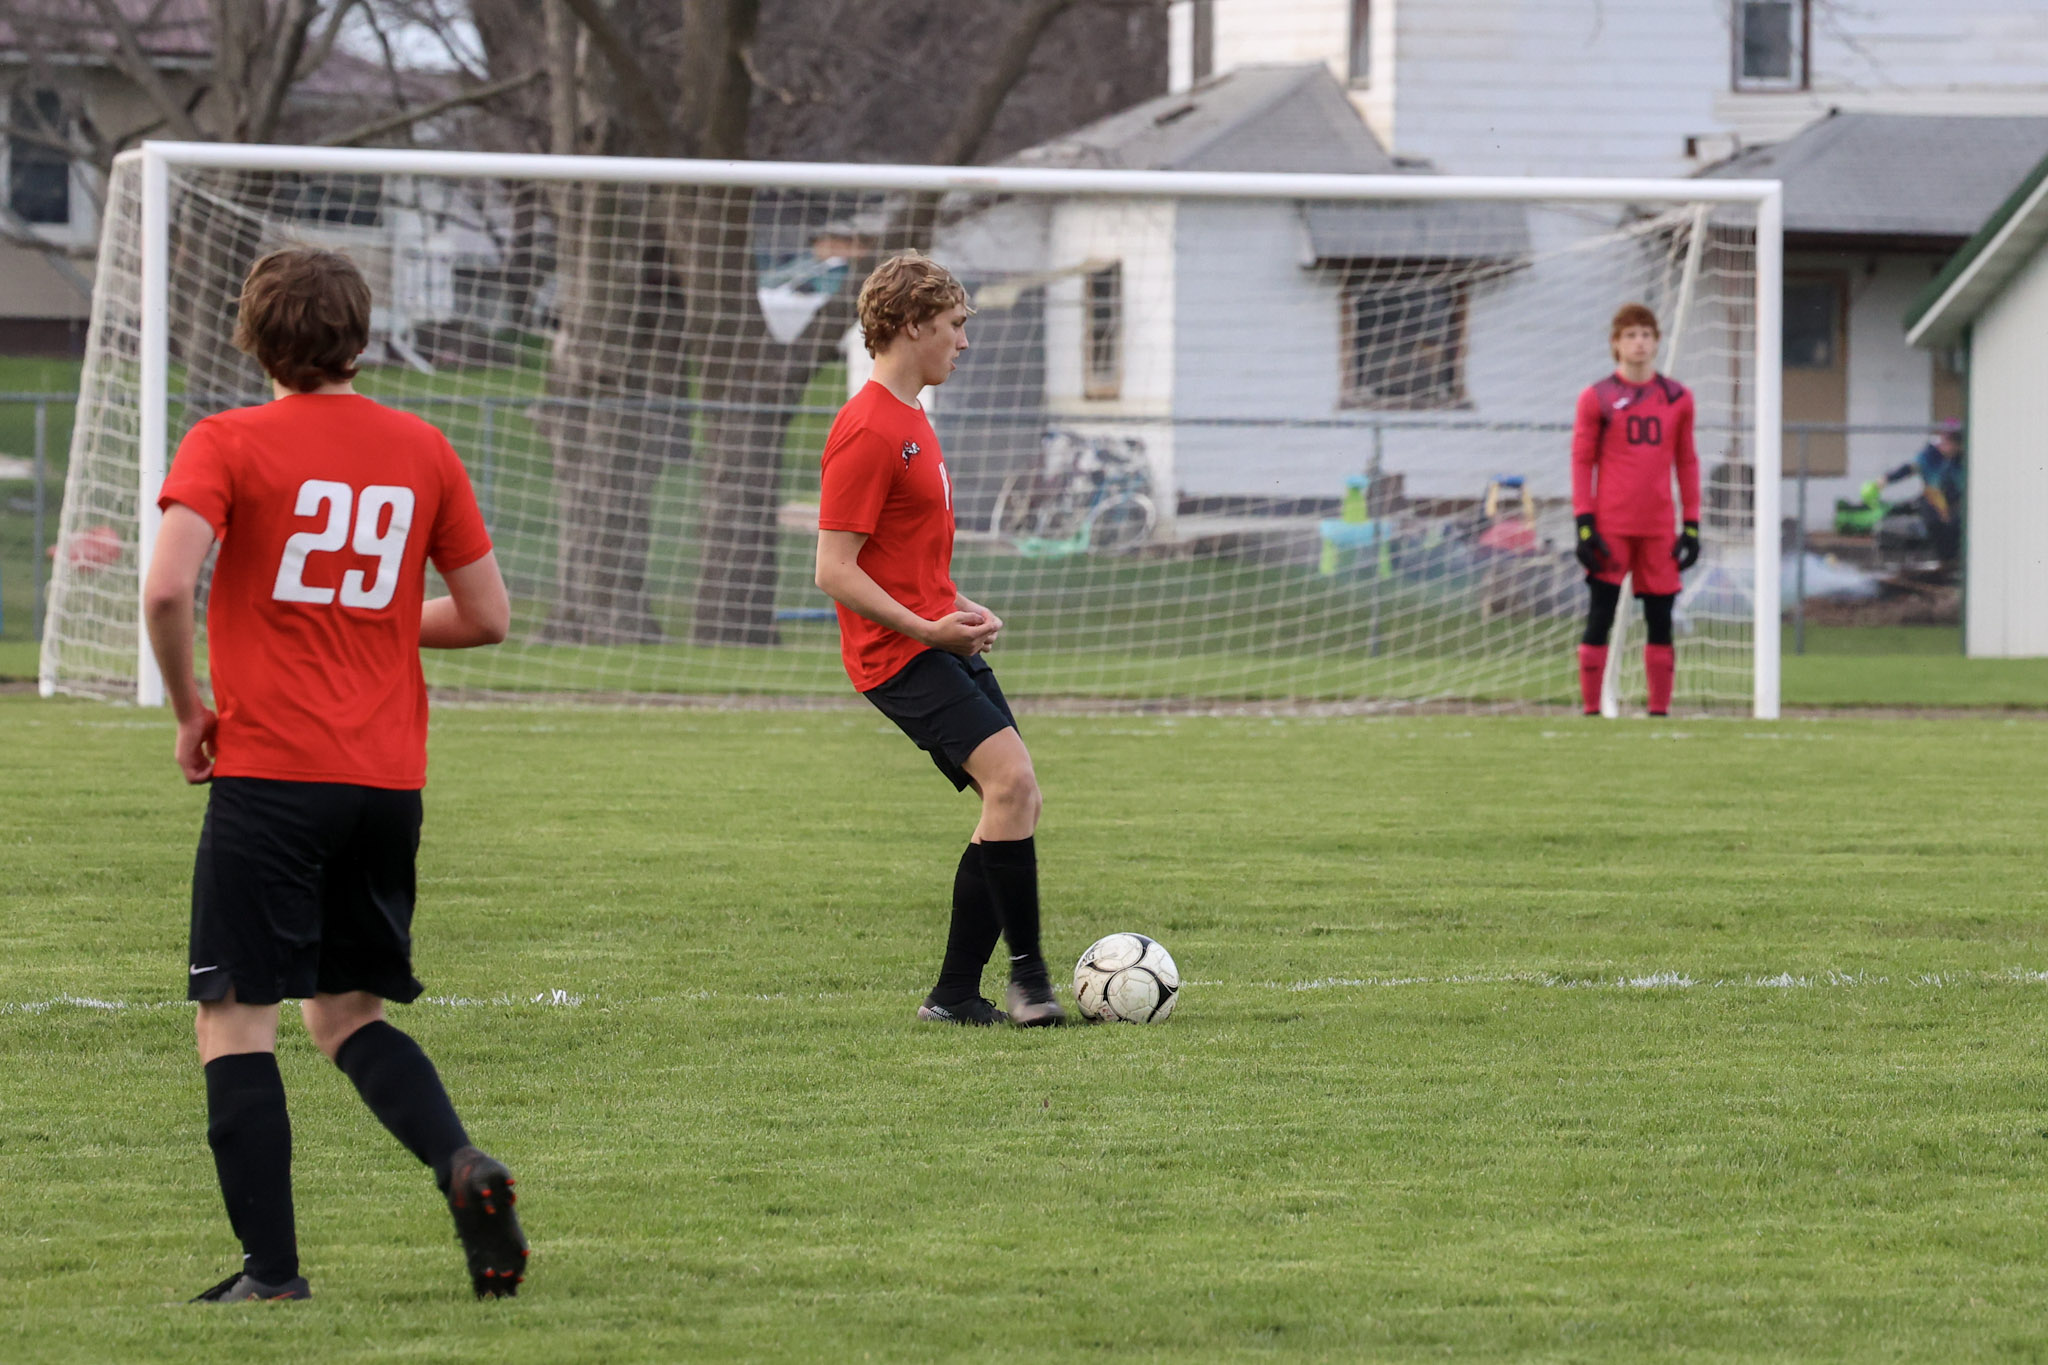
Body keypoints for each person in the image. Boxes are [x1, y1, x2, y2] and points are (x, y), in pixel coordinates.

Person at [141, 247, 528, 1303]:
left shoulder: (227, 441)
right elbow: (488, 616)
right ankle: (460, 1163)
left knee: (235, 1017)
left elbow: (168, 589)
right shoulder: (423, 448)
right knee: (345, 1014)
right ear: (360, 338)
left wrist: (189, 713)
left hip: (270, 773)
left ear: (253, 340)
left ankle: (272, 1275)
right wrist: (372, 624)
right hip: (384, 783)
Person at [813, 253, 1063, 1028]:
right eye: (956, 325)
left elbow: (906, 559)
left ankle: (956, 993)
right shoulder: (866, 427)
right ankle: (1028, 980)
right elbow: (833, 568)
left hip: (934, 638)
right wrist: (927, 626)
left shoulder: (915, 418)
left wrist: (957, 605)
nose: (964, 342)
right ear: (913, 325)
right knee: (1012, 784)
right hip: (898, 656)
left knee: (1015, 796)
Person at [1570, 302, 1701, 717]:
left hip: (1659, 529)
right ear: (1616, 344)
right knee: (1600, 615)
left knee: (1660, 620)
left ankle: (1658, 712)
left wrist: (1692, 524)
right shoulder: (1597, 397)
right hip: (1611, 527)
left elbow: (1687, 461)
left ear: (1657, 342)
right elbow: (1582, 461)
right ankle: (1591, 711)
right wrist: (1584, 523)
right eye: (1630, 335)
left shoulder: (1678, 398)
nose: (1639, 342)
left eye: (1646, 334)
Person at [1881, 423, 1965, 563]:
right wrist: (1886, 480)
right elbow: (1910, 468)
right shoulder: (1930, 456)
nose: (1948, 447)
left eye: (1953, 444)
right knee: (1937, 523)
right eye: (1946, 442)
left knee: (1956, 524)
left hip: (1955, 503)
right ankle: (1944, 559)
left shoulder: (1961, 460)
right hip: (1933, 501)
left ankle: (1953, 560)